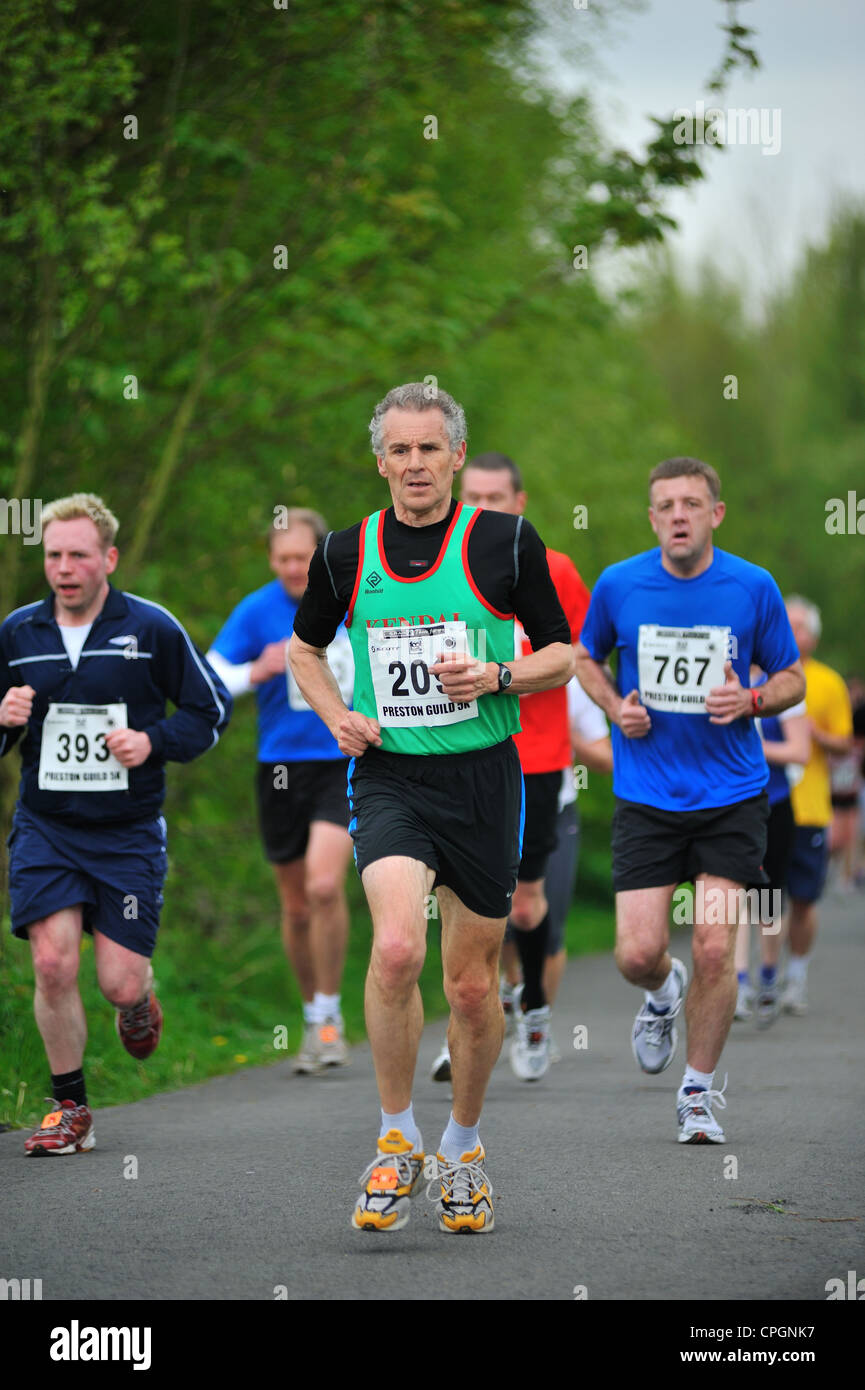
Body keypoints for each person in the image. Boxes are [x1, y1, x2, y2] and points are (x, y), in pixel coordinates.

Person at [288, 382, 573, 1232]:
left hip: (485, 779)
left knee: (474, 990)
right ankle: (393, 1137)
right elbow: (304, 649)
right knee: (399, 947)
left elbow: (560, 654)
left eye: (429, 448)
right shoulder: (344, 554)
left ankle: (462, 1147)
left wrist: (496, 676)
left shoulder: (507, 542)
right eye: (398, 450)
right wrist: (336, 713)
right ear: (380, 461)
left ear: (456, 455)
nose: (414, 464)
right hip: (390, 776)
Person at [574, 457, 804, 1144]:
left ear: (714, 514)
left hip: (731, 794)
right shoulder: (618, 584)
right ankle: (659, 993)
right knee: (635, 954)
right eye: (665, 505)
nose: (678, 515)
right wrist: (616, 707)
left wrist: (753, 699)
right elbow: (583, 657)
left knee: (713, 947)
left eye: (690, 504)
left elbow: (790, 675)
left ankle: (697, 1094)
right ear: (651, 518)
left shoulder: (750, 587)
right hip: (646, 794)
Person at [0, 493, 231, 1155]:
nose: (64, 568)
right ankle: (69, 1108)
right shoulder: (19, 634)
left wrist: (152, 742)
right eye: (52, 555)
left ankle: (139, 1001)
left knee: (118, 981)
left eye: (77, 555)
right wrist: (3, 717)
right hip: (46, 827)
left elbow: (208, 711)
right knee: (51, 962)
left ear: (109, 558)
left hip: (126, 832)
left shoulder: (151, 627)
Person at [427, 452, 590, 1083]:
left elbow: (571, 654)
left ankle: (537, 1012)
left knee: (523, 905)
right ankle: (466, 1025)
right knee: (458, 902)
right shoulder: (438, 565)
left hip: (537, 756)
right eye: (475, 496)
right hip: (459, 754)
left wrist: (504, 674)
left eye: (497, 497)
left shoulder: (554, 567)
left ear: (519, 503)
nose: (485, 508)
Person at [207, 510, 355, 1071]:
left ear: (320, 554)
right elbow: (211, 678)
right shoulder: (257, 609)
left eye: (303, 557)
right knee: (295, 907)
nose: (294, 568)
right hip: (280, 770)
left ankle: (333, 1013)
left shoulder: (353, 596)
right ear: (272, 560)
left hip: (341, 761)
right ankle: (314, 1012)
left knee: (322, 886)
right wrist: (258, 671)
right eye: (284, 558)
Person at [780, 597, 853, 1014]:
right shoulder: (764, 675)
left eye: (798, 627)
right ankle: (763, 974)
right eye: (784, 624)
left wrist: (816, 736)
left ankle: (797, 974)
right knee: (767, 896)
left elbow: (845, 742)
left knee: (804, 899)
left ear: (813, 634)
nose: (790, 634)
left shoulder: (828, 682)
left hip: (810, 808)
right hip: (767, 804)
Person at [733, 664, 809, 1027]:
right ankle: (739, 982)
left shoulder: (782, 686)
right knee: (735, 895)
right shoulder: (720, 676)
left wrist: (757, 747)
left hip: (774, 804)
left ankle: (766, 976)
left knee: (767, 900)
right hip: (731, 803)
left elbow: (800, 751)